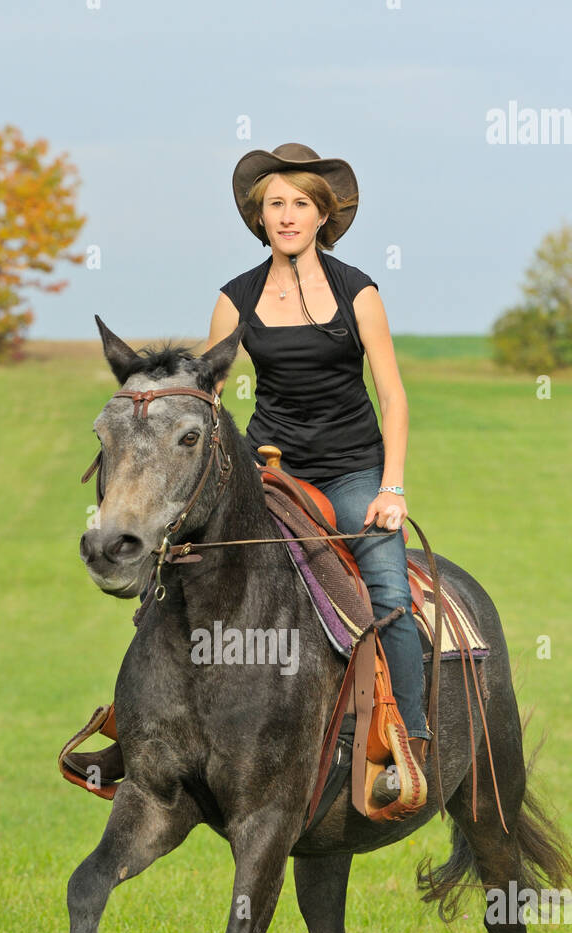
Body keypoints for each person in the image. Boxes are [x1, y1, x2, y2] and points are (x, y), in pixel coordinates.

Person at [204, 142, 430, 803]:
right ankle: (147, 730)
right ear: (260, 216)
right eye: (275, 204)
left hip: (353, 469)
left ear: (323, 216)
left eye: (300, 203)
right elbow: (208, 397)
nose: (287, 215)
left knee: (387, 593)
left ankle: (406, 748)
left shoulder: (358, 291)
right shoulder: (234, 298)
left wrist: (392, 488)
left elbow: (393, 396)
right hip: (271, 471)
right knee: (192, 572)